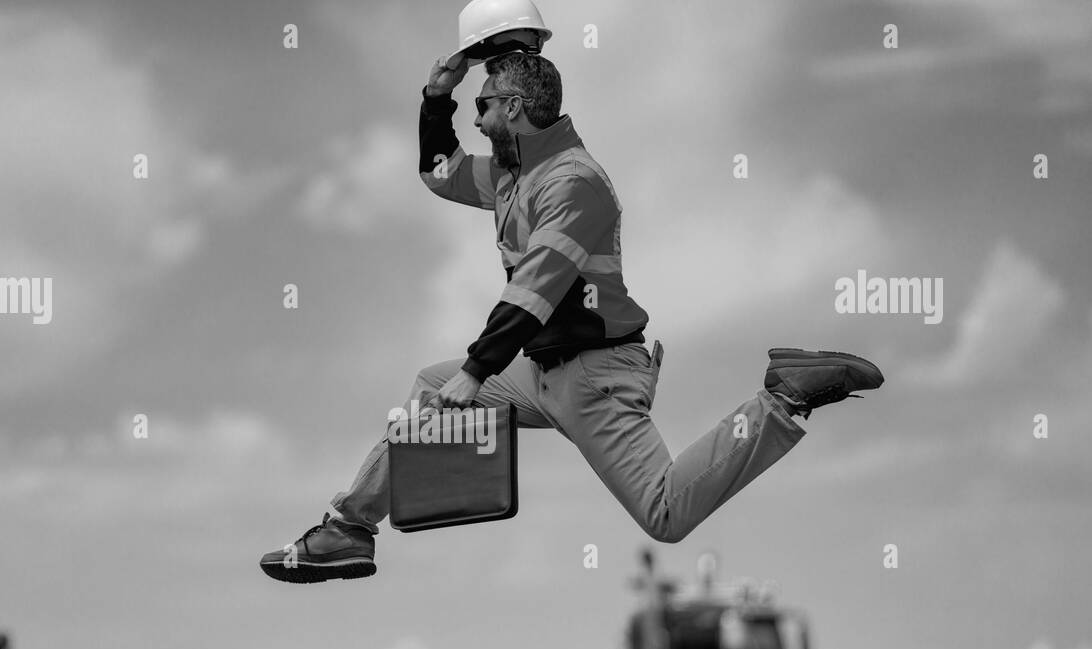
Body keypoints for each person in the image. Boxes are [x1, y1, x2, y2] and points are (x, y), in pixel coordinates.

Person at [260, 52, 883, 584]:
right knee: (429, 386)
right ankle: (349, 530)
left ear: (513, 107)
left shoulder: (573, 180)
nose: (474, 119)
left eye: (481, 106)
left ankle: (781, 401)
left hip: (595, 378)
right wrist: (437, 94)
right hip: (545, 375)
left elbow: (536, 289)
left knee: (665, 514)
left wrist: (476, 371)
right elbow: (440, 172)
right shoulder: (513, 175)